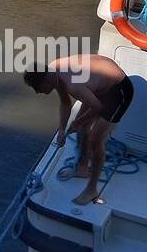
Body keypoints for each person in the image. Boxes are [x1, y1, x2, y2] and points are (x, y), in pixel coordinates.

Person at [25, 55, 134, 206]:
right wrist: (62, 130)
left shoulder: (71, 85)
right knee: (83, 126)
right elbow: (65, 103)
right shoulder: (53, 70)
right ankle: (82, 169)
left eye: (39, 88)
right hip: (98, 84)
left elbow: (97, 107)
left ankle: (91, 190)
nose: (39, 93)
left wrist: (78, 122)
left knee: (96, 140)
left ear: (47, 80)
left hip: (118, 89)